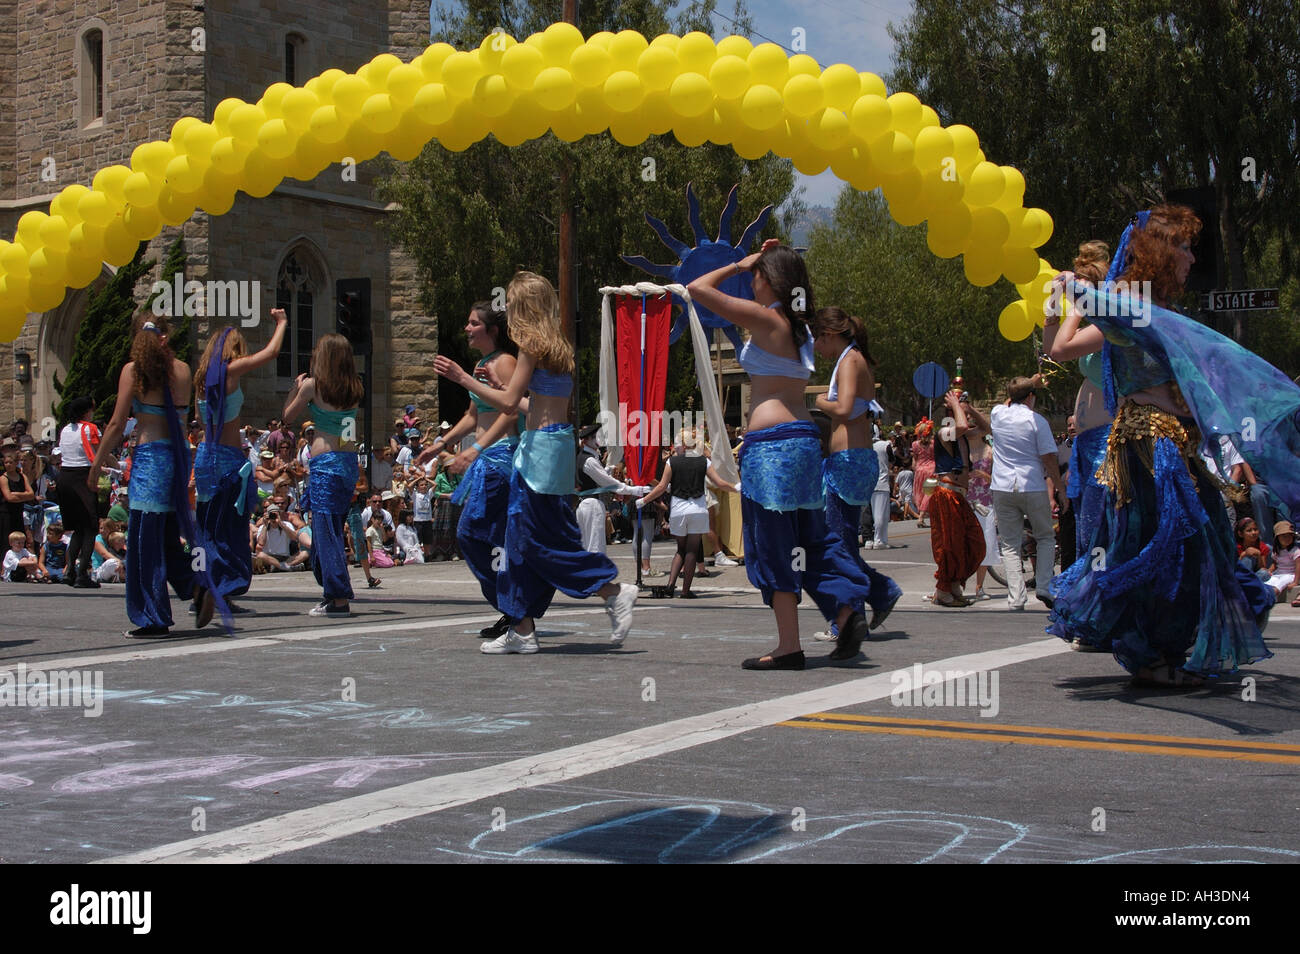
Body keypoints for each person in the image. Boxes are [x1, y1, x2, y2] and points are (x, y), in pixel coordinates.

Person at [1045, 205, 1273, 685]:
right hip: (1149, 444)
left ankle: (1170, 645)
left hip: (1175, 441)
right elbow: (1061, 349)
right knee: (1167, 542)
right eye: (1184, 247)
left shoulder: (1154, 304)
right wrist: (1070, 298)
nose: (1192, 257)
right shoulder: (1128, 296)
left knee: (1201, 538)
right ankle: (1152, 654)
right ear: (1160, 251)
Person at [687, 241, 874, 669]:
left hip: (773, 449)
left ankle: (789, 646)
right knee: (809, 537)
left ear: (768, 280)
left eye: (755, 275)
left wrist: (739, 261)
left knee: (773, 543)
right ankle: (845, 609)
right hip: (806, 442)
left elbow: (698, 287)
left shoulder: (767, 319)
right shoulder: (804, 329)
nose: (749, 280)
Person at [434, 272, 637, 655]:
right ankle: (523, 628)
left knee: (533, 538)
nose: (506, 308)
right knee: (523, 536)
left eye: (510, 302)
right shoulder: (558, 346)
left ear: (523, 306)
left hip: (540, 450)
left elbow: (510, 403)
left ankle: (611, 590)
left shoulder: (530, 344)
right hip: (556, 445)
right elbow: (533, 404)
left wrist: (463, 379)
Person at [87, 313, 219, 637]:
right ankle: (195, 585)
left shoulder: (134, 371)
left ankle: (153, 616)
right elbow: (192, 417)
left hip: (150, 459)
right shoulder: (183, 371)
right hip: (178, 458)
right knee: (166, 535)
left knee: (145, 540)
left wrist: (96, 467)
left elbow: (117, 424)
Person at [424, 301, 525, 637]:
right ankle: (511, 609)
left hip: (499, 458)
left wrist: (478, 448)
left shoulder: (506, 362)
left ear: (491, 330)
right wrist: (442, 443)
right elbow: (472, 416)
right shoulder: (481, 363)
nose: (466, 329)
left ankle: (514, 608)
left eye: (472, 324)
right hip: (485, 459)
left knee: (473, 533)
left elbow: (511, 412)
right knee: (486, 536)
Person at [809, 306, 902, 634]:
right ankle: (863, 603)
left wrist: (821, 402)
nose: (816, 348)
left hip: (848, 463)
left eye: (818, 339)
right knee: (840, 541)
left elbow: (845, 408)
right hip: (849, 461)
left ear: (830, 334)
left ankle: (862, 605)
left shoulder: (849, 361)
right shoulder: (851, 360)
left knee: (836, 542)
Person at [193, 309, 288, 612]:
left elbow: (198, 421)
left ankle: (204, 586)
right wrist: (282, 322)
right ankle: (221, 590)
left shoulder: (201, 380)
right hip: (227, 459)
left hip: (205, 457)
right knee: (230, 526)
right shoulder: (231, 370)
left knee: (208, 525)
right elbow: (272, 352)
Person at [284, 333, 365, 617]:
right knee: (329, 531)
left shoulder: (312, 386)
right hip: (346, 462)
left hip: (325, 465)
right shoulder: (355, 388)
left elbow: (287, 417)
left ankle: (338, 596)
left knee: (326, 533)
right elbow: (347, 433)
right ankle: (332, 592)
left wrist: (295, 389)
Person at [989, 373, 1065, 610]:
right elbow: (1049, 459)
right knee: (1045, 536)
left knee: (1010, 544)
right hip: (1031, 484)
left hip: (1002, 485)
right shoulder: (1036, 421)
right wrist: (1059, 488)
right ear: (1031, 397)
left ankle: (1016, 597)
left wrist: (1028, 384)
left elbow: (1005, 404)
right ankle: (1043, 584)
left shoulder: (998, 414)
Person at [637, 429, 736, 599]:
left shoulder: (672, 462)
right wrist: (737, 487)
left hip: (678, 509)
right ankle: (685, 590)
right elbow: (719, 483)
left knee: (680, 549)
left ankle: (670, 585)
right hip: (698, 508)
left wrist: (644, 500)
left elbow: (661, 487)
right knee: (692, 550)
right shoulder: (703, 461)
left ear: (682, 444)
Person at [924, 389, 985, 606]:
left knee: (973, 542)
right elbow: (961, 426)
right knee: (950, 545)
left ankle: (955, 585)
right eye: (960, 409)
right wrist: (956, 405)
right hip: (947, 494)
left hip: (959, 495)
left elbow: (985, 428)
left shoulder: (965, 436)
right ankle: (944, 590)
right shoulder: (944, 433)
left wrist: (969, 408)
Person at [55, 397, 109, 588]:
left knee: (78, 528)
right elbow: (100, 451)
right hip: (83, 476)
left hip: (65, 476)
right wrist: (114, 465)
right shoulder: (90, 428)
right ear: (87, 411)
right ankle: (82, 574)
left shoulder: (65, 429)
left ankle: (69, 572)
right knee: (90, 527)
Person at [961, 394, 999, 600]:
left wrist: (984, 475)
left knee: (986, 544)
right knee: (964, 544)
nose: (972, 428)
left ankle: (979, 586)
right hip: (966, 501)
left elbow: (998, 478)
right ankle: (959, 584)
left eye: (976, 425)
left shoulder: (990, 451)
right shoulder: (961, 450)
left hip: (985, 502)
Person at [911, 420, 935, 528]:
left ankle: (921, 515)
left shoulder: (915, 444)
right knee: (928, 493)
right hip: (931, 469)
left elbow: (914, 458)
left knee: (919, 493)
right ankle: (921, 516)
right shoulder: (933, 443)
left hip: (919, 470)